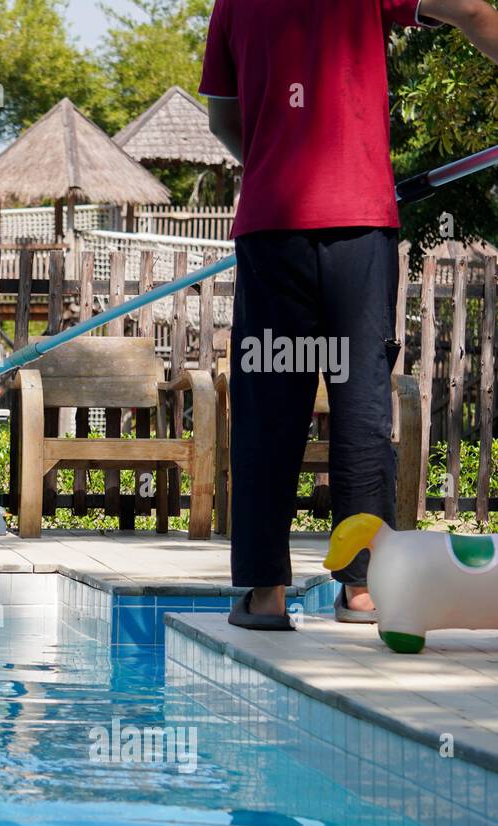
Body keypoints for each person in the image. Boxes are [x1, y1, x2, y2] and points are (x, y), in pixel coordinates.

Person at [200, 0, 498, 630]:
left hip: (272, 228)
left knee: (269, 409)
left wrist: (274, 156)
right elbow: (471, 9)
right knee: (361, 404)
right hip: (360, 227)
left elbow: (224, 118)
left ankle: (265, 595)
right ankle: (363, 591)